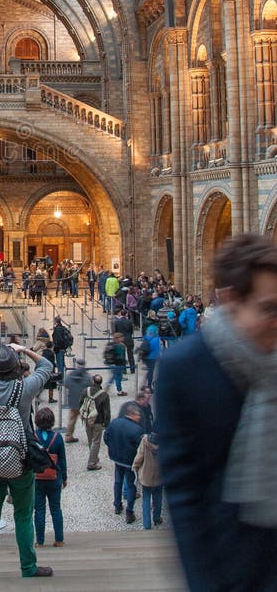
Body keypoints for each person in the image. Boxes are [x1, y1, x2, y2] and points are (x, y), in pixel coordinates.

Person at [157, 234, 277, 592]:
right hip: (232, 566)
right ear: (231, 300)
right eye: (269, 308)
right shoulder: (184, 368)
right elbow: (184, 495)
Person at [0, 341, 54, 580]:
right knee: (23, 514)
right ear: (15, 368)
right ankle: (28, 566)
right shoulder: (25, 388)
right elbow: (46, 365)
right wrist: (23, 349)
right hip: (20, 458)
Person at [103, 402, 145, 524]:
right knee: (131, 485)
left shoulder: (114, 423)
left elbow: (106, 437)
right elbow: (140, 448)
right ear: (131, 414)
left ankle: (117, 505)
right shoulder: (137, 430)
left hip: (116, 458)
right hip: (129, 461)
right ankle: (129, 511)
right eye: (137, 415)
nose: (139, 417)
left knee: (117, 481)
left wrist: (112, 448)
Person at [33, 406, 67, 548]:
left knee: (39, 510)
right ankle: (59, 539)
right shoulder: (57, 438)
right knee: (56, 509)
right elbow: (63, 460)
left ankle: (40, 541)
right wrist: (64, 477)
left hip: (37, 478)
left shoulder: (33, 437)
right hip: (54, 477)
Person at [79, 374, 111, 470]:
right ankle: (92, 462)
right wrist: (107, 422)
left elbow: (80, 403)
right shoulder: (104, 394)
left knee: (90, 439)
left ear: (93, 381)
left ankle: (94, 457)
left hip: (87, 419)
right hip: (98, 420)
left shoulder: (86, 391)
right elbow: (106, 411)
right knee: (96, 441)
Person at [132, 431, 162, 530]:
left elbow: (140, 456)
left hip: (146, 474)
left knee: (146, 498)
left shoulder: (145, 440)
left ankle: (147, 524)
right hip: (159, 475)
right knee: (158, 497)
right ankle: (157, 518)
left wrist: (135, 466)